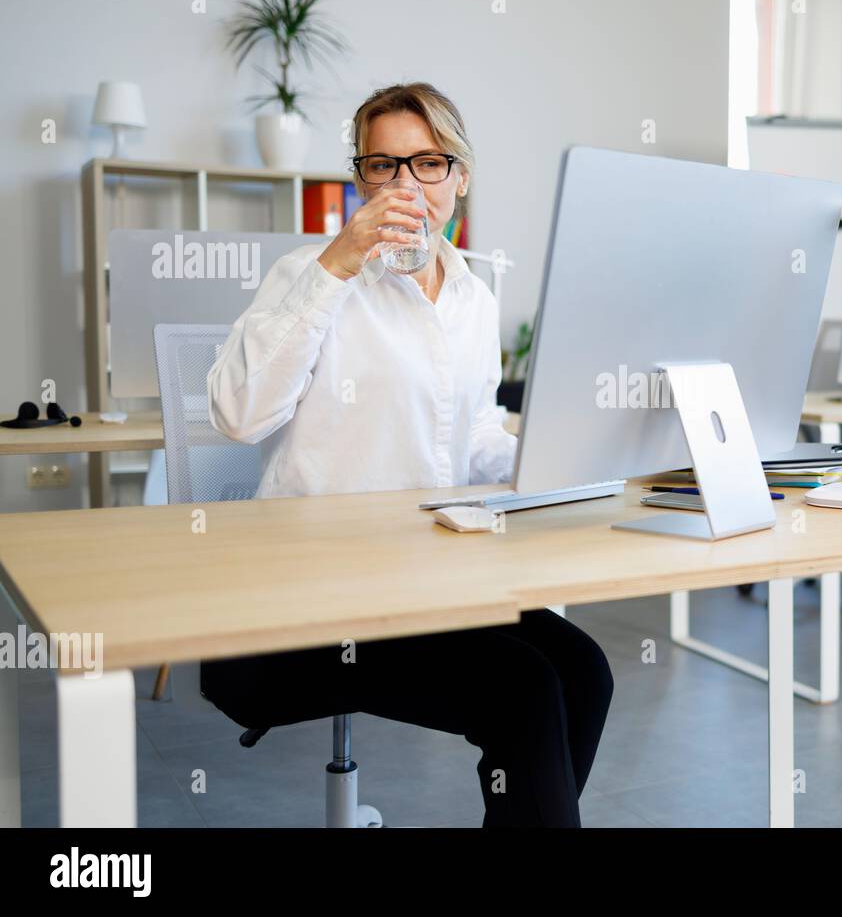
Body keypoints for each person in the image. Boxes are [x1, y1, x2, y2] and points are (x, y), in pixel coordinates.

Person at [205, 82, 613, 827]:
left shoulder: (474, 299)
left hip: (431, 584)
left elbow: (474, 438)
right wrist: (338, 261)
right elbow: (238, 414)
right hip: (313, 595)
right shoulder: (311, 273)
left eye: (427, 164)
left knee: (584, 671)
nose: (403, 185)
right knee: (524, 688)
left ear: (461, 179)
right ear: (358, 179)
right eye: (382, 165)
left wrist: (545, 456)